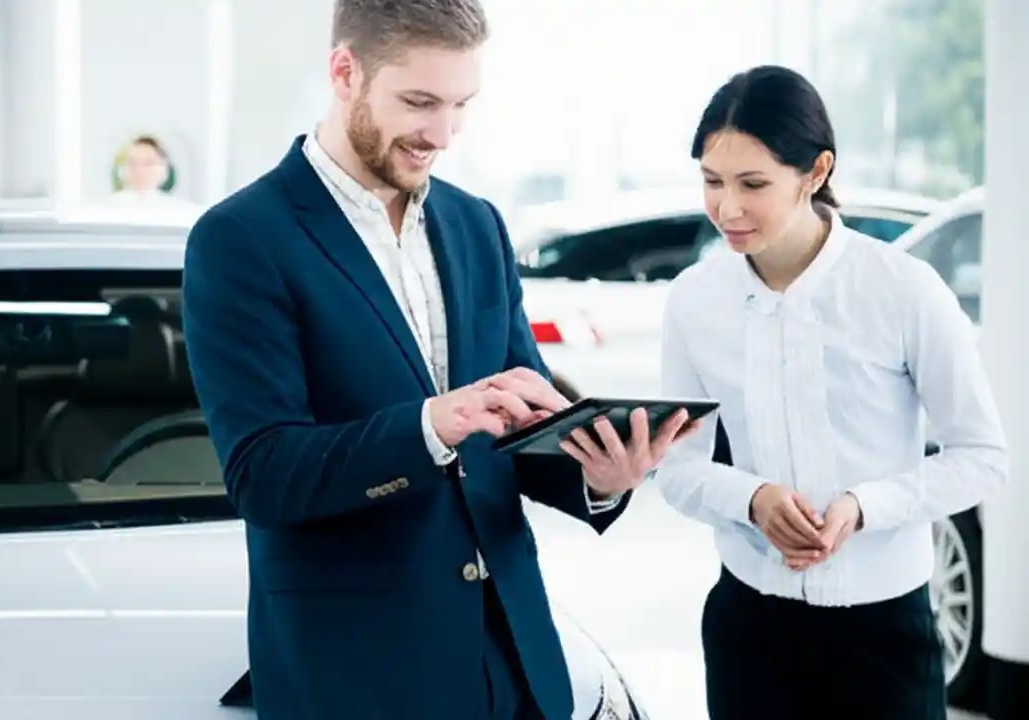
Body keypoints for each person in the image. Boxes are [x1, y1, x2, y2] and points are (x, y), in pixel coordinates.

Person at [181, 1, 694, 718]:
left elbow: (516, 427)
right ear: (343, 72)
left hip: (512, 668)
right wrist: (431, 424)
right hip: (358, 679)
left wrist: (598, 477)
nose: (443, 134)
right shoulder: (240, 240)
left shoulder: (476, 224)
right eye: (419, 102)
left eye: (460, 105)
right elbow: (263, 477)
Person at [652, 64, 1009, 720]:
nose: (727, 208)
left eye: (752, 184)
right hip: (747, 633)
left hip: (883, 641)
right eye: (712, 181)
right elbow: (676, 468)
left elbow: (982, 456)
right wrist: (752, 498)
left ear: (816, 172)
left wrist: (863, 505)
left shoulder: (904, 289)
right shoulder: (694, 302)